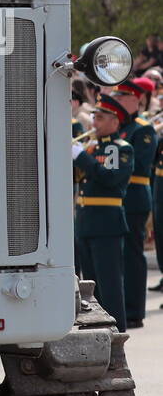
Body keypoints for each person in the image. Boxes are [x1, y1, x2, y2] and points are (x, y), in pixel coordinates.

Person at [74, 95, 134, 331]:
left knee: (109, 283)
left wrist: (82, 158)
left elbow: (110, 178)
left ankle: (116, 330)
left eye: (100, 118)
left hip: (107, 223)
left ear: (115, 122)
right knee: (90, 284)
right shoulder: (91, 147)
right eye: (94, 117)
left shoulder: (120, 148)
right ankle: (95, 327)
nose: (94, 123)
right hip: (86, 221)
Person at [110, 78, 157, 327]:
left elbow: (139, 164)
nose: (116, 102)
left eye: (121, 98)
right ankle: (122, 306)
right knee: (120, 256)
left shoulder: (143, 129)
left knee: (132, 254)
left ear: (134, 100)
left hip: (135, 197)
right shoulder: (120, 127)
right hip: (118, 198)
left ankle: (135, 310)